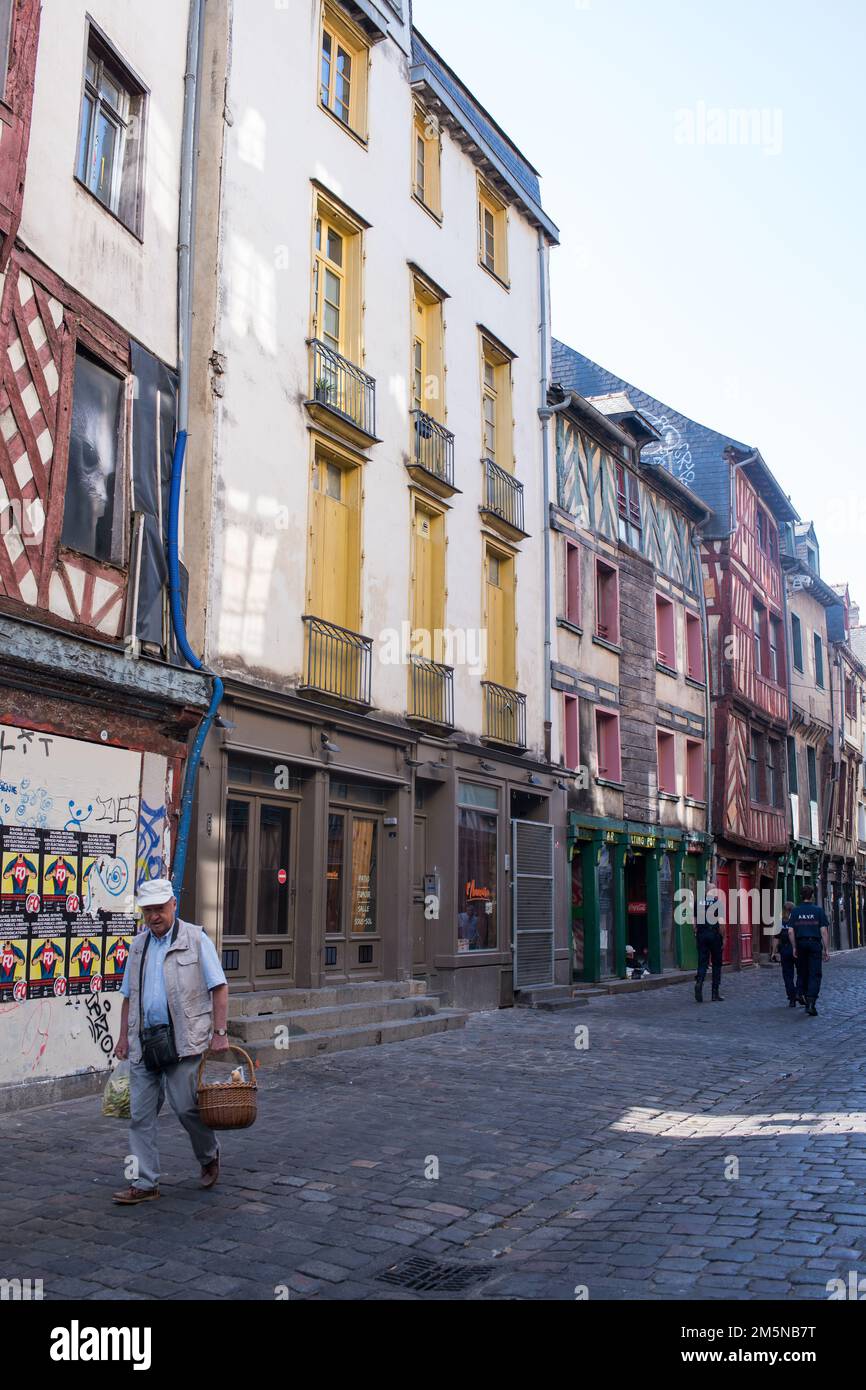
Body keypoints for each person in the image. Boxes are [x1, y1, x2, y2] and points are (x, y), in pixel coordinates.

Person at [112, 879, 229, 1205]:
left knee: (186, 1108)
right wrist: (123, 1037)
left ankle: (208, 1153)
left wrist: (220, 1033)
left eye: (159, 909)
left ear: (173, 905)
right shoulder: (138, 946)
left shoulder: (195, 939)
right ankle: (144, 1182)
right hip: (144, 1041)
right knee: (140, 1116)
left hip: (183, 1041)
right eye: (148, 911)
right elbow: (128, 996)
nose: (153, 916)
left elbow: (219, 986)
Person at [787, 885, 830, 1016]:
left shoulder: (795, 912)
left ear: (801, 896)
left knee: (803, 972)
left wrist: (794, 946)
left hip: (801, 943)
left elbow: (790, 931)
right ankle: (811, 1002)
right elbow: (823, 931)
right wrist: (826, 949)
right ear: (812, 896)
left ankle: (802, 994)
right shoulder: (818, 911)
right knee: (815, 973)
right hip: (814, 944)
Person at [694, 881, 725, 1003]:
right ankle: (714, 993)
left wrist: (696, 933)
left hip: (702, 934)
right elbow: (721, 923)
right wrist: (724, 937)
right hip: (714, 934)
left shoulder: (698, 902)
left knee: (702, 962)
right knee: (717, 964)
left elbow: (694, 921)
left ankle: (699, 981)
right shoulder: (717, 903)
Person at [771, 901, 800, 1007]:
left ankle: (792, 998)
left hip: (785, 949)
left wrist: (773, 952)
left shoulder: (780, 922)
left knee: (788, 975)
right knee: (801, 972)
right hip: (796, 949)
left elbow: (776, 938)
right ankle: (798, 992)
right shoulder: (797, 920)